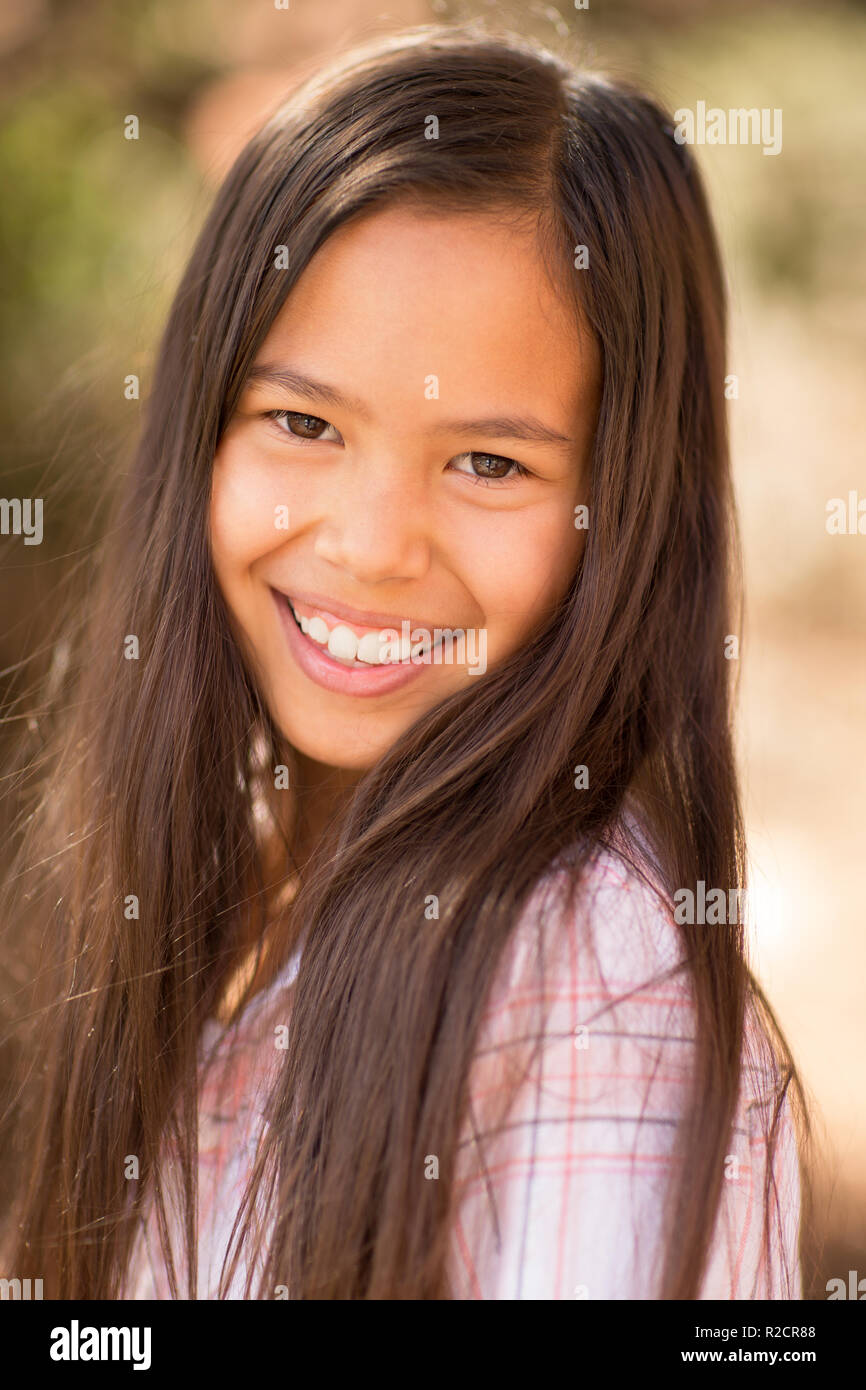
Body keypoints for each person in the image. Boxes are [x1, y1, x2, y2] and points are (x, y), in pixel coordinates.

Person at [1, 23, 806, 1300]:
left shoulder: (588, 974)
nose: (372, 546)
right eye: (302, 421)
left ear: (624, 508)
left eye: (489, 462)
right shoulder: (209, 891)